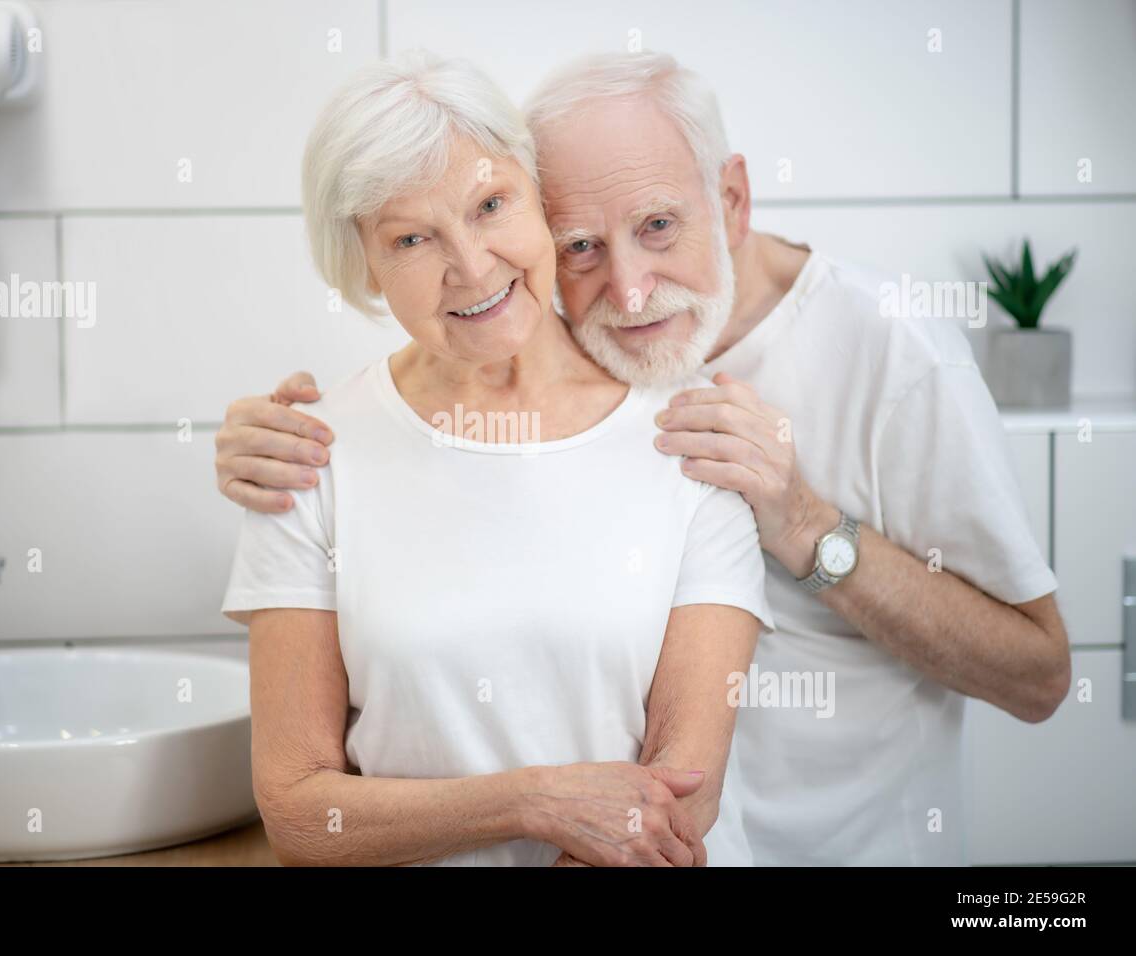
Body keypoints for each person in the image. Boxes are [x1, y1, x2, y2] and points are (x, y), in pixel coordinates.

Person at [216, 51, 1071, 866]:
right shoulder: (584, 359)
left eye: (659, 226)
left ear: (732, 197)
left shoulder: (882, 357)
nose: (627, 292)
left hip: (859, 845)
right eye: (582, 244)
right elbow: (302, 802)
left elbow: (1040, 677)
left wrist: (806, 523)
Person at [220, 50, 773, 867]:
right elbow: (300, 814)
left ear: (537, 198)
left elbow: (686, 792)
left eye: (489, 205)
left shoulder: (686, 445)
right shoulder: (308, 455)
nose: (472, 267)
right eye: (412, 237)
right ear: (366, 265)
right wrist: (533, 802)